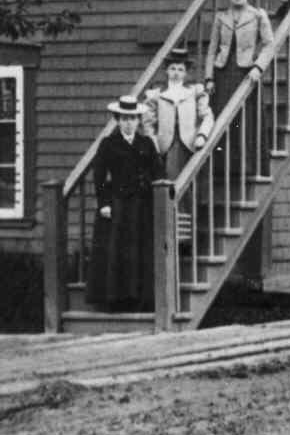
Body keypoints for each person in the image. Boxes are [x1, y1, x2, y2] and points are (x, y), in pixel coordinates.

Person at [89, 95, 163, 313]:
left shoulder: (146, 143)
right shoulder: (109, 144)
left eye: (132, 118)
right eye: (124, 118)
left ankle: (140, 300)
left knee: (139, 250)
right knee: (118, 252)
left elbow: (158, 171)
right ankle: (116, 300)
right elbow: (99, 175)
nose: (128, 122)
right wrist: (104, 203)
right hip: (118, 205)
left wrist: (151, 185)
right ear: (118, 120)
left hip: (142, 205)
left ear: (139, 120)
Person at [206, 0, 276, 181]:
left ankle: (247, 167)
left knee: (245, 120)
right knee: (223, 118)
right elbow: (212, 49)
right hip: (224, 73)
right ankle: (222, 168)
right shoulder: (221, 18)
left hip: (246, 73)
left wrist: (258, 67)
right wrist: (209, 77)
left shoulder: (257, 15)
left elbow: (269, 45)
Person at [144, 47, 213, 181]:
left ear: (185, 73)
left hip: (191, 143)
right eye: (173, 68)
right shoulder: (157, 95)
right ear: (167, 71)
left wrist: (202, 135)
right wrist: (153, 144)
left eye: (180, 69)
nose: (176, 73)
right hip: (166, 146)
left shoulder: (194, 92)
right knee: (171, 179)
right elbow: (148, 124)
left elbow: (207, 116)